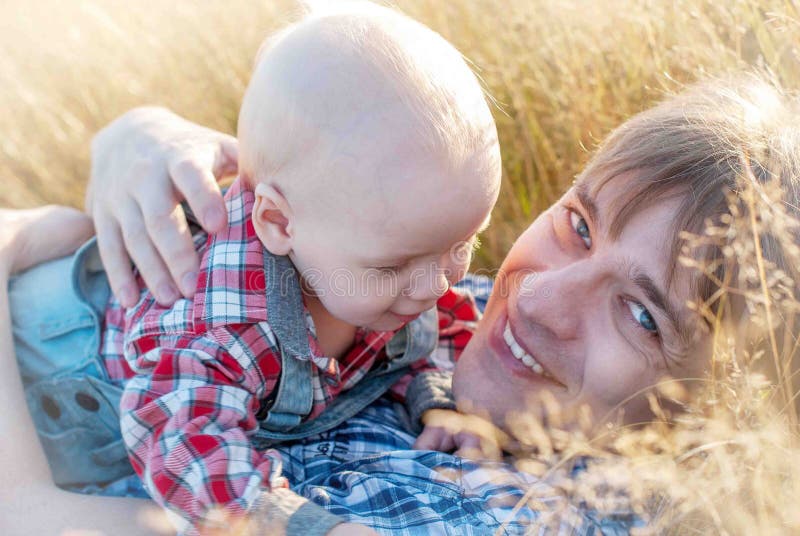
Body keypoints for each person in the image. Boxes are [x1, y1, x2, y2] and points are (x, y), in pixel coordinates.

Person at [4, 74, 798, 533]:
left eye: (642, 314)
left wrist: (26, 501)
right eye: (579, 225)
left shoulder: (538, 513)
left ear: (720, 414)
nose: (541, 299)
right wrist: (142, 144)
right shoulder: (446, 301)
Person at [7, 3, 501, 535]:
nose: (437, 284)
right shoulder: (224, 326)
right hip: (39, 362)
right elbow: (190, 448)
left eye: (463, 242)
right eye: (394, 266)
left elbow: (420, 341)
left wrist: (443, 405)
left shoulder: (378, 254)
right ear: (278, 222)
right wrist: (310, 526)